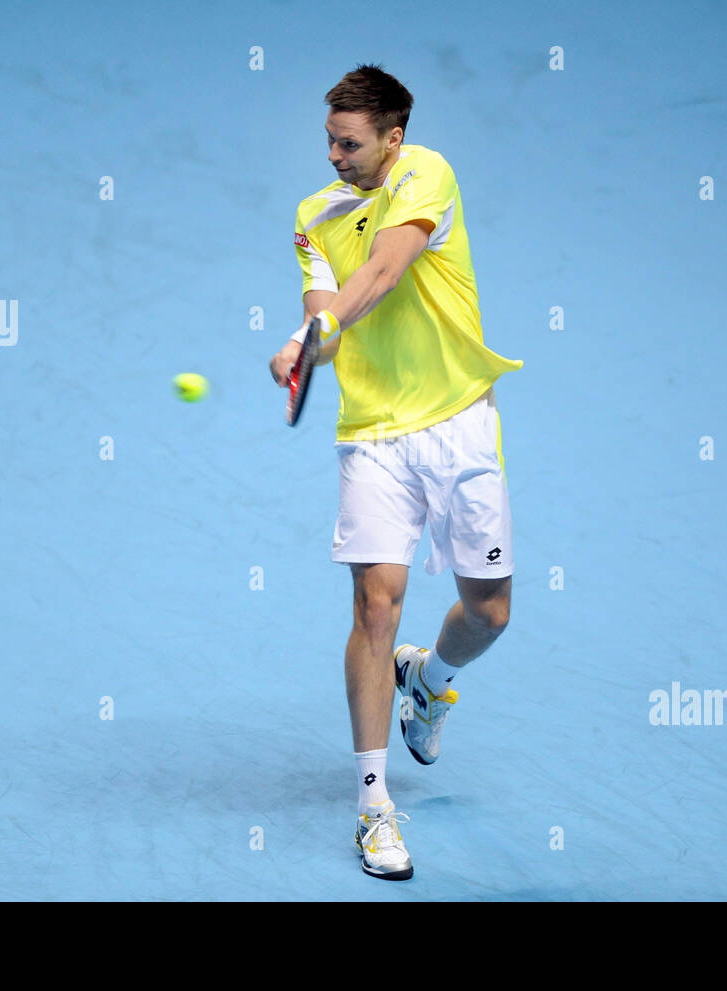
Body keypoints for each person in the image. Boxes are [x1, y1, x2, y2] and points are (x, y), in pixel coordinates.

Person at [269, 63, 522, 881]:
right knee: (376, 604)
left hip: (458, 425)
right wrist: (310, 342)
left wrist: (318, 331)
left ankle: (432, 677)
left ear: (393, 138)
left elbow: (383, 270)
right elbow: (330, 315)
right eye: (329, 142)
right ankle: (374, 806)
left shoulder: (428, 173)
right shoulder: (313, 215)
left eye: (349, 143)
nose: (335, 156)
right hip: (373, 433)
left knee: (490, 612)